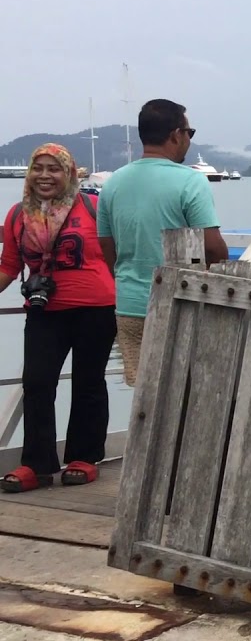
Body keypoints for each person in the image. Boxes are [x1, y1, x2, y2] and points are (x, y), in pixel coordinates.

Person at [0, 144, 116, 492]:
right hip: (44, 310)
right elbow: (9, 265)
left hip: (96, 308)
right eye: (39, 168)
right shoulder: (18, 215)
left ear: (70, 172)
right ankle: (37, 465)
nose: (45, 176)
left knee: (88, 382)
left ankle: (84, 457)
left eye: (54, 169)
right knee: (37, 383)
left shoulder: (94, 208)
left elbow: (120, 254)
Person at [98, 99, 228, 387]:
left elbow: (107, 248)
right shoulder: (190, 181)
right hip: (179, 303)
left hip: (129, 305)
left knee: (144, 391)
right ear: (175, 135)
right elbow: (214, 247)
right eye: (189, 132)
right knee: (183, 389)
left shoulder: (112, 184)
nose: (189, 140)